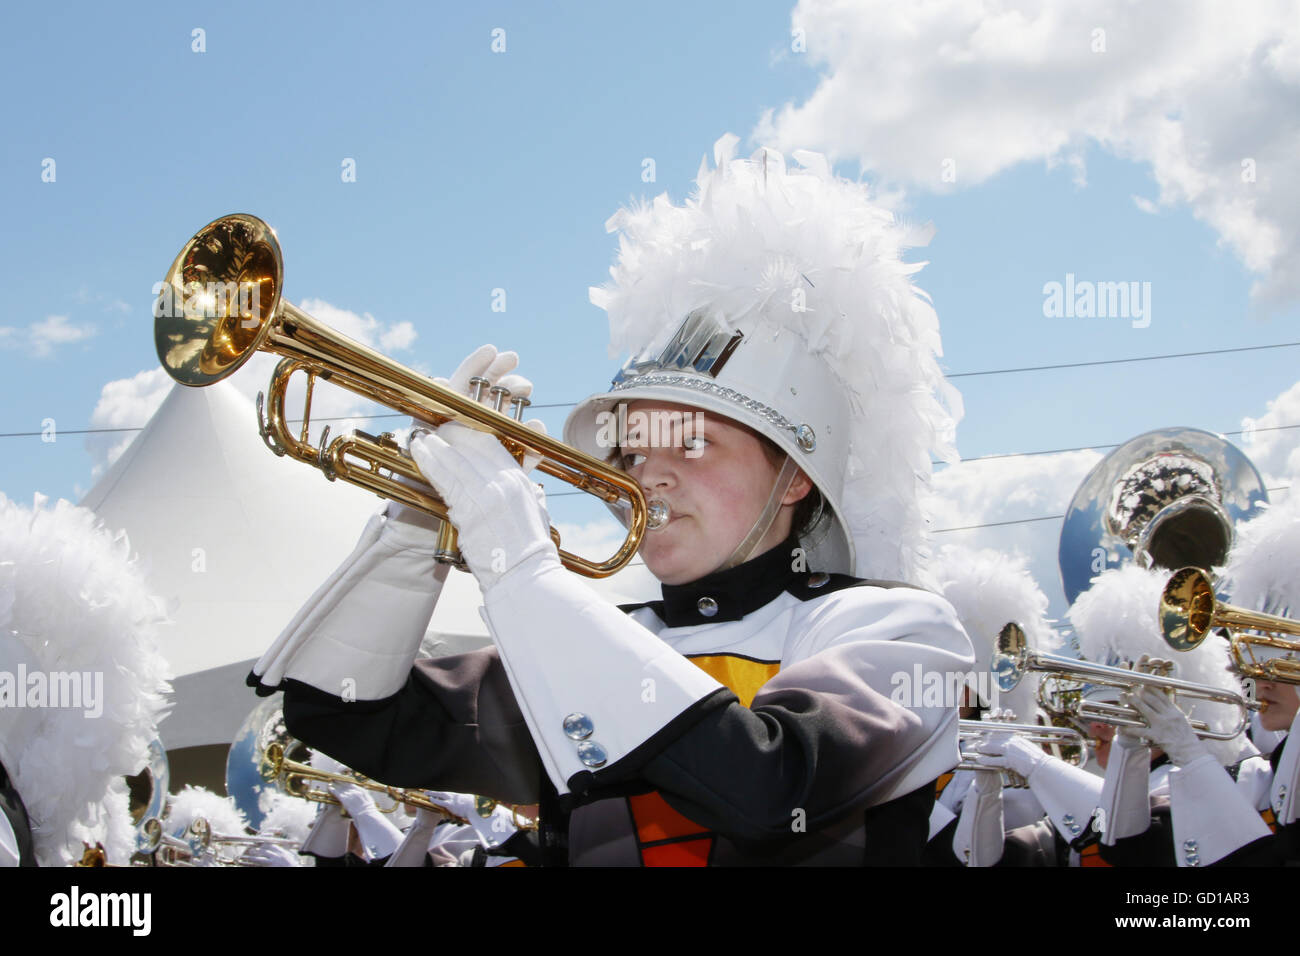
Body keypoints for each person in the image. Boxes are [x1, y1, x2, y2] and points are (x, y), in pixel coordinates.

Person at [251, 137, 973, 865]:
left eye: (689, 441)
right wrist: (418, 516)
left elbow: (768, 787)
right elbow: (339, 712)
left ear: (793, 478)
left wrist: (526, 572)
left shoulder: (900, 628)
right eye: (632, 448)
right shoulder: (604, 638)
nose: (644, 475)